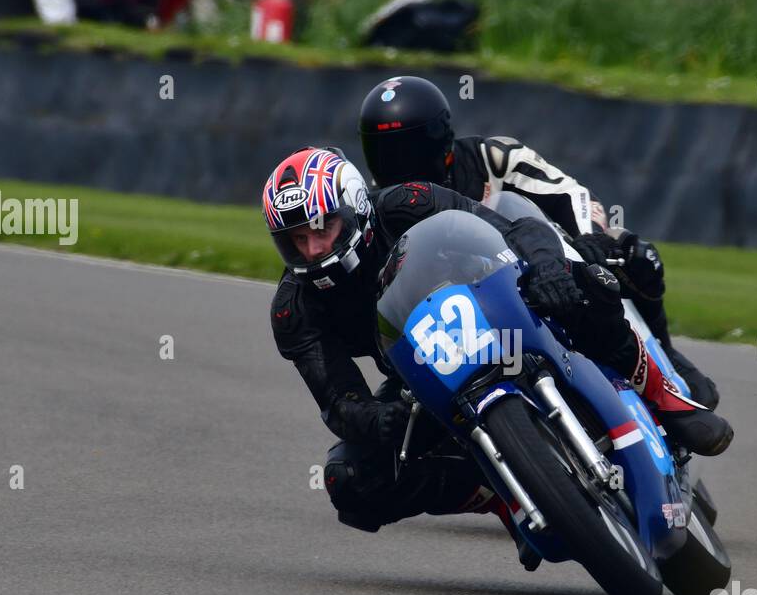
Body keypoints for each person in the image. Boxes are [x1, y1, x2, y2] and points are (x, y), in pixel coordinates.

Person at [264, 146, 733, 535]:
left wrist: (547, 266)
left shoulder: (406, 203)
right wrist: (375, 421)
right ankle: (496, 493)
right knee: (349, 480)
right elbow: (337, 399)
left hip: (500, 306)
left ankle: (666, 398)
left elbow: (509, 227)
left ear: (355, 208)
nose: (314, 250)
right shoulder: (294, 308)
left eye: (323, 229)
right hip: (421, 372)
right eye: (296, 240)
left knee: (587, 283)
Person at [357, 74, 722, 412]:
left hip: (540, 272)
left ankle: (664, 356)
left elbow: (566, 191)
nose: (398, 164)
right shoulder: (374, 211)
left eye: (408, 149)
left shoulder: (492, 156)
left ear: (440, 141)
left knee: (635, 255)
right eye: (385, 152)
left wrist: (589, 238)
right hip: (459, 322)